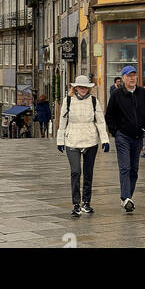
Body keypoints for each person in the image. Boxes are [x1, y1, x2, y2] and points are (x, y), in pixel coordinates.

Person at [104, 64, 145, 213]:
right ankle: (126, 197)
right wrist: (115, 132)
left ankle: (127, 199)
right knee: (125, 167)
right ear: (123, 78)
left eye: (134, 75)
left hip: (138, 136)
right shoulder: (116, 94)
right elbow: (109, 115)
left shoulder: (143, 93)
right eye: (129, 76)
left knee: (134, 169)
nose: (132, 78)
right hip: (123, 136)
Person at [56, 75, 111, 217]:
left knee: (88, 172)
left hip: (90, 140)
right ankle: (76, 203)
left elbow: (100, 121)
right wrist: (60, 140)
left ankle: (86, 202)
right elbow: (62, 123)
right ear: (75, 88)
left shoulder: (94, 101)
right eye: (80, 87)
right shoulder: (68, 101)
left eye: (86, 87)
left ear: (89, 88)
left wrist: (104, 139)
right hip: (72, 139)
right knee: (75, 171)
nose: (83, 90)